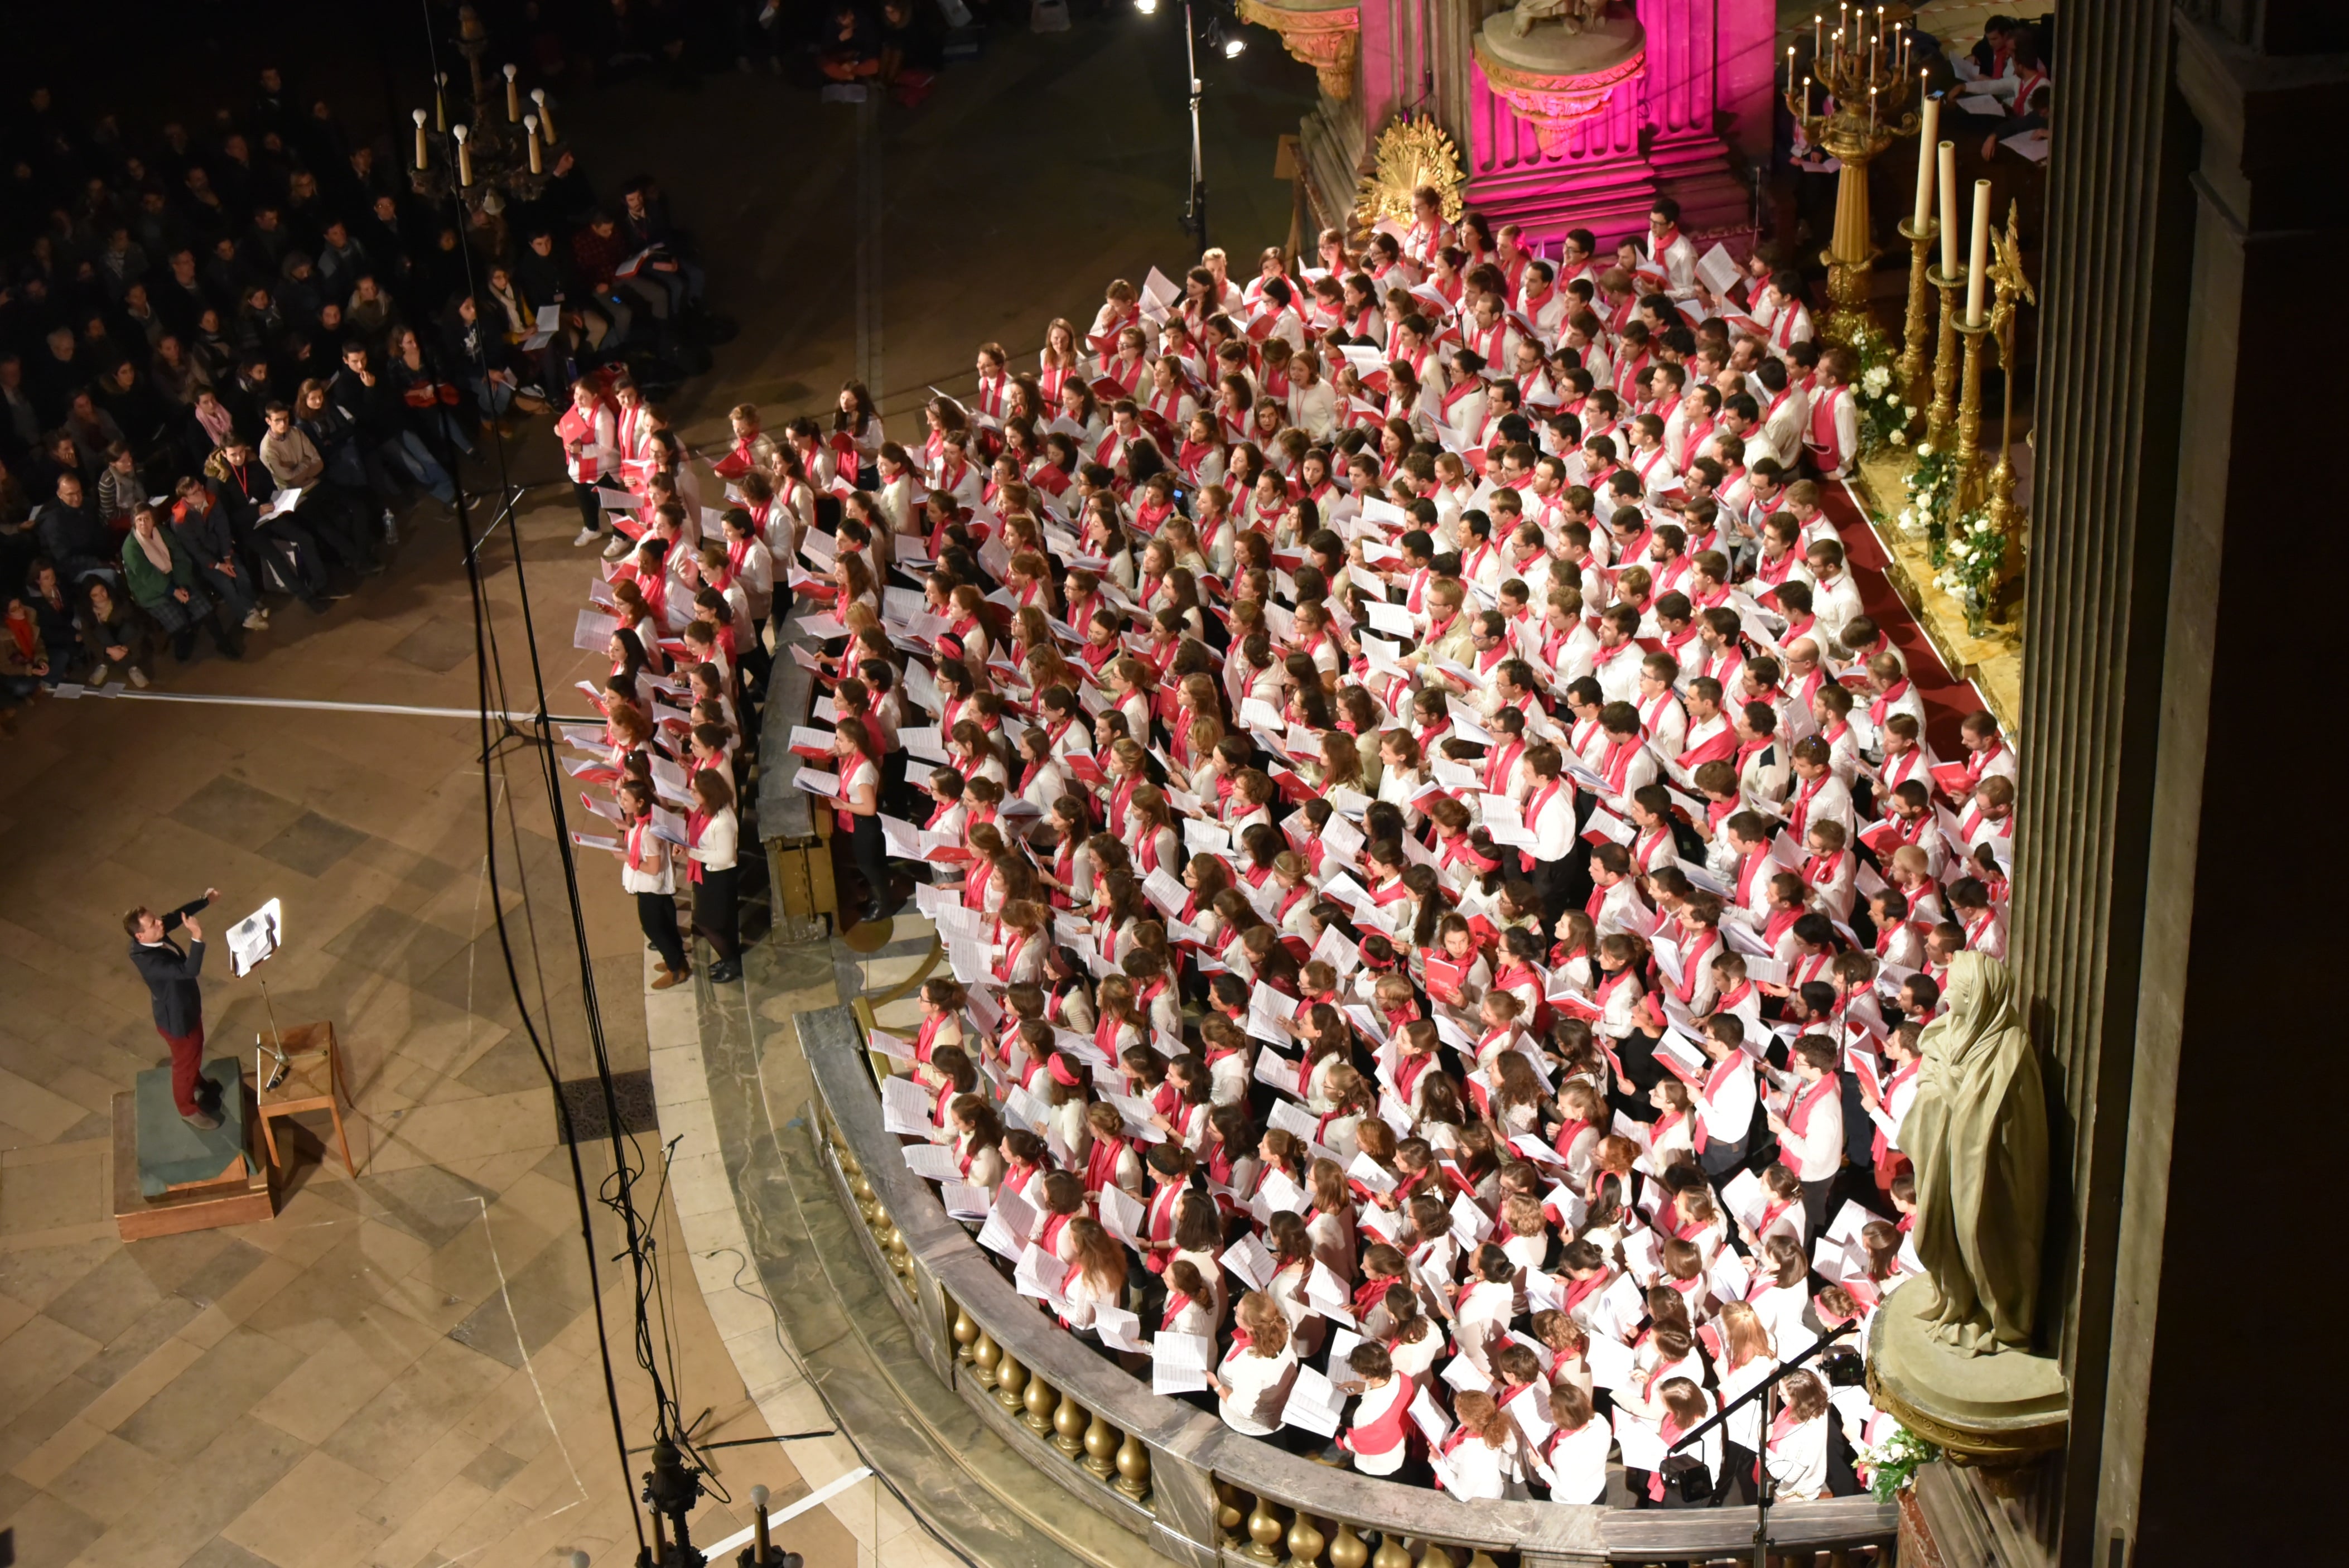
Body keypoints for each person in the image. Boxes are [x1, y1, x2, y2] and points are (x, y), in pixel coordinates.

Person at [125, 888, 224, 1127]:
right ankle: (188, 1110)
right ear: (141, 936)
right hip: (178, 1020)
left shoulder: (153, 936)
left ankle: (198, 1081)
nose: (160, 923)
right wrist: (197, 938)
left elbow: (177, 915)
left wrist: (205, 901)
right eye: (153, 923)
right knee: (184, 1065)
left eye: (156, 919)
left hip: (186, 1007)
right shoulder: (149, 963)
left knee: (194, 1054)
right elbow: (189, 970)